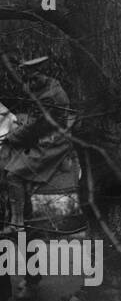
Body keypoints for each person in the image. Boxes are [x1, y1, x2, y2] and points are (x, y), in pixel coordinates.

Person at [1, 55, 73, 228]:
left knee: (14, 175)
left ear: (43, 73)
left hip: (51, 140)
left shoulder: (51, 95)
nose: (30, 84)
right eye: (28, 78)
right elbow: (32, 119)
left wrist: (13, 137)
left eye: (34, 78)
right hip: (39, 135)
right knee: (7, 158)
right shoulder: (40, 87)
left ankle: (17, 221)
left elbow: (37, 127)